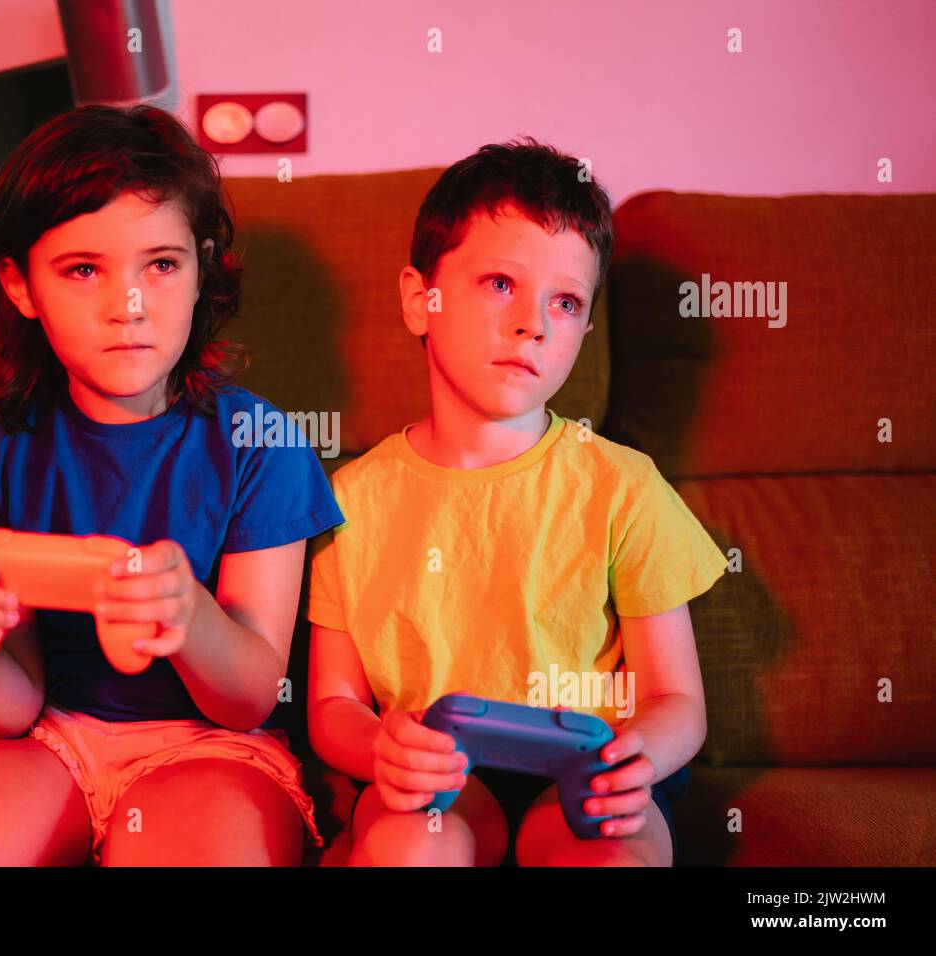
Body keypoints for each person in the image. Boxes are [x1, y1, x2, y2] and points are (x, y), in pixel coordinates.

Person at [0, 104, 342, 867]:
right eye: (83, 270)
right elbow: (8, 709)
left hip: (214, 748)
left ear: (201, 267)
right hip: (50, 741)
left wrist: (190, 618)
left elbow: (248, 697)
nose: (129, 306)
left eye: (161, 264)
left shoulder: (259, 441)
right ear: (20, 285)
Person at [306, 138, 727, 866]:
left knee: (617, 853)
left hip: (580, 772)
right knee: (407, 847)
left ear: (584, 330)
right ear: (420, 300)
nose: (532, 322)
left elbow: (677, 701)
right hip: (427, 777)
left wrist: (637, 762)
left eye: (564, 302)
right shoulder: (351, 501)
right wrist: (383, 746)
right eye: (500, 283)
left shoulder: (622, 484)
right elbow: (331, 704)